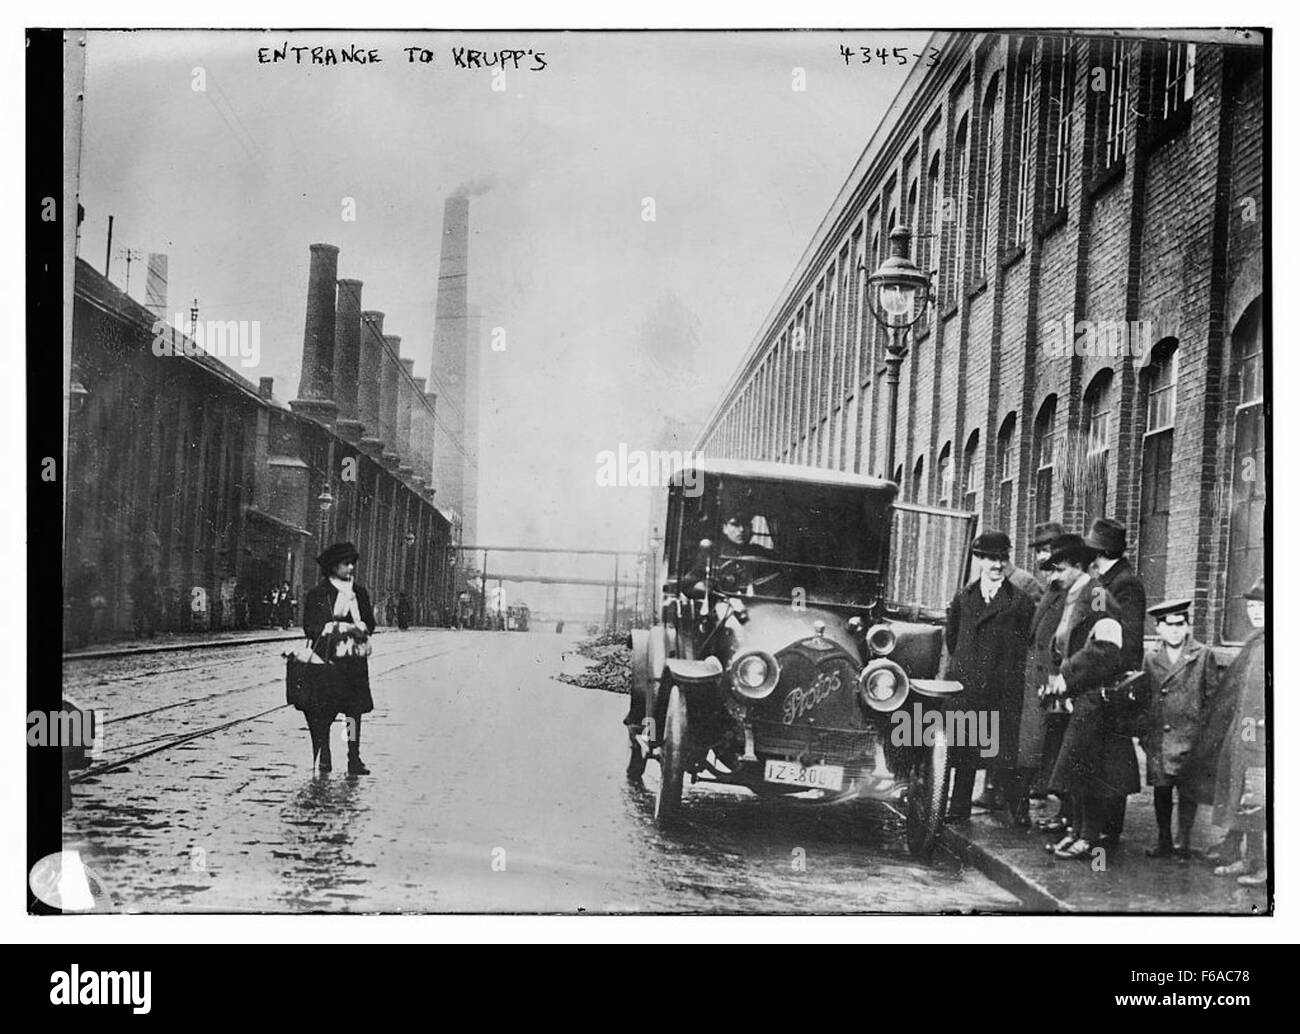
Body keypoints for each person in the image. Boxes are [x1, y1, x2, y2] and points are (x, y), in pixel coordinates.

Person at [1041, 534, 1140, 859]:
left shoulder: (1097, 595)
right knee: (1076, 769)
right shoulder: (1074, 595)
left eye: (1060, 569)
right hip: (1079, 698)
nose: (1054, 576)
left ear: (1079, 567)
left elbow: (1107, 648)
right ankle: (1076, 832)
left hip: (1096, 701)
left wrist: (1068, 674)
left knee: (1089, 772)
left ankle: (1088, 838)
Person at [942, 531, 1033, 822]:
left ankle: (1019, 813)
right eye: (991, 559)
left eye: (1002, 559)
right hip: (967, 688)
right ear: (978, 559)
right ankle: (958, 809)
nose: (997, 565)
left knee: (1004, 755)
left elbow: (1025, 645)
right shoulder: (963, 597)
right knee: (963, 755)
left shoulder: (1019, 601)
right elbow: (952, 636)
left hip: (1001, 690)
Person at [1187, 576, 1265, 886]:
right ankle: (1245, 858)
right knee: (1244, 794)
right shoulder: (1256, 641)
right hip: (1243, 731)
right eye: (1251, 605)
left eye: (1262, 605)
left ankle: (1260, 866)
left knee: (1256, 794)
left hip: (1259, 734)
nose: (1255, 611)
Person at [1083, 517, 1147, 842]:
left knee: (1114, 756)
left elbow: (1130, 640)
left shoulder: (1126, 584)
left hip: (1116, 684)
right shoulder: (1106, 580)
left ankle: (1111, 828)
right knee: (1100, 754)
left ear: (1102, 551)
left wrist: (1107, 670)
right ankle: (1099, 824)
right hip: (1101, 679)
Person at [1140, 599, 1219, 859]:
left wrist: (1206, 737)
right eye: (1169, 625)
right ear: (1159, 628)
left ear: (1187, 626)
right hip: (1160, 737)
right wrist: (1145, 734)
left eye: (1180, 624)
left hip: (1190, 736)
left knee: (1188, 792)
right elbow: (1144, 696)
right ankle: (1163, 841)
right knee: (1162, 792)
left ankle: (1182, 842)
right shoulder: (1151, 658)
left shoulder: (1202, 654)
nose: (1175, 630)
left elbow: (1211, 697)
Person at [1013, 523, 1070, 828]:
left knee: (1053, 746)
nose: (1043, 560)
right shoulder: (1052, 588)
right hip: (1035, 677)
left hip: (1054, 678)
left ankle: (1059, 812)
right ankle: (1022, 803)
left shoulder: (1074, 591)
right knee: (1031, 744)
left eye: (1049, 551)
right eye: (1040, 552)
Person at [302, 542, 376, 776]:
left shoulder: (359, 593)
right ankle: (325, 752)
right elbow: (309, 627)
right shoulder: (319, 594)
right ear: (333, 567)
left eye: (353, 563)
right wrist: (330, 629)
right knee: (324, 711)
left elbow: (370, 623)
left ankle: (353, 757)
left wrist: (360, 627)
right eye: (346, 564)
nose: (351, 568)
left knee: (353, 714)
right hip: (327, 662)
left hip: (353, 664)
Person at [130, 563, 160, 639]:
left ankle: (150, 633)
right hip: (140, 599)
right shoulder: (139, 577)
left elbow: (155, 588)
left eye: (150, 569)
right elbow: (131, 586)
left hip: (148, 600)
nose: (149, 570)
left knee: (150, 617)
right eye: (148, 568)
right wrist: (135, 596)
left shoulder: (152, 577)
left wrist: (155, 597)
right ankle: (139, 633)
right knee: (140, 617)